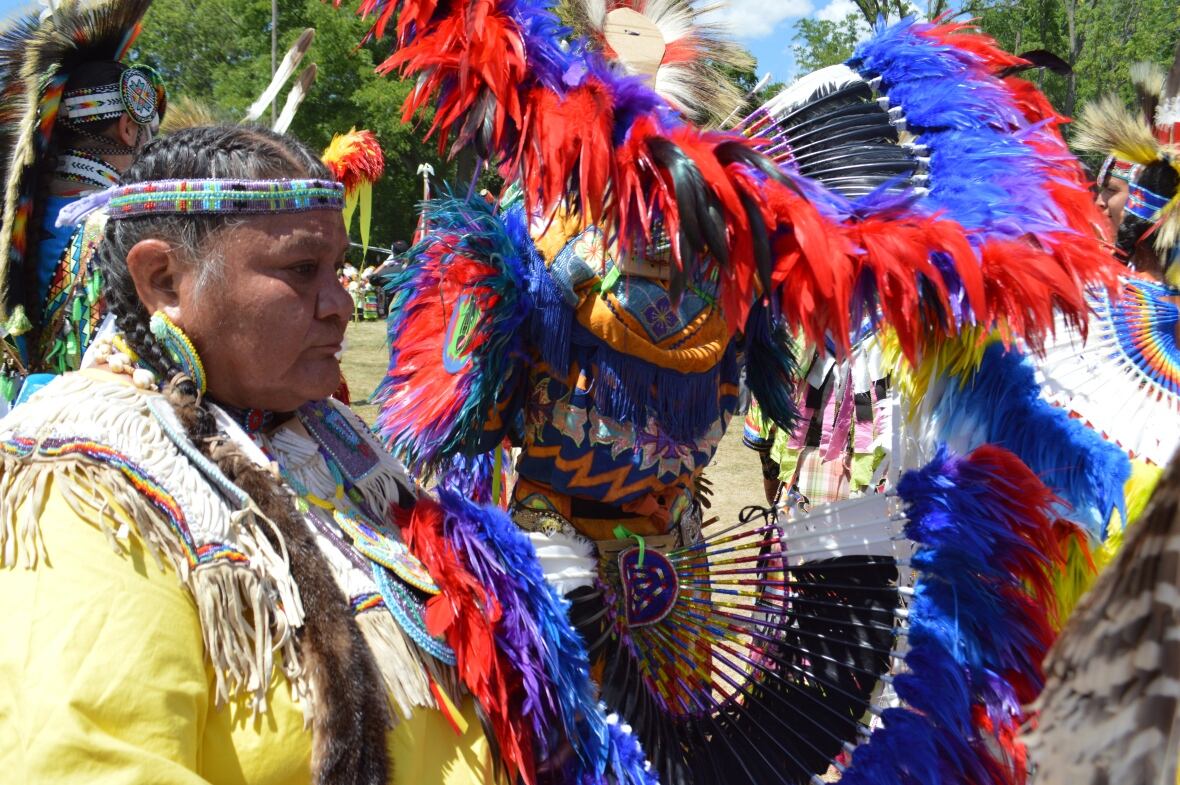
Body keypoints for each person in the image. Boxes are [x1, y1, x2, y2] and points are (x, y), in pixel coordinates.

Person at [363, 0, 1119, 778]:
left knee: (679, 750)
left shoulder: (742, 249)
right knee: (584, 753)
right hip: (551, 553)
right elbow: (447, 452)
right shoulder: (519, 245)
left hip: (678, 564)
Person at [0, 125, 648, 785]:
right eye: (302, 270)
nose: (340, 304)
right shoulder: (86, 487)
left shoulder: (323, 433)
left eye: (338, 268)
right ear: (163, 279)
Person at [0, 0, 166, 398]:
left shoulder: (18, 228)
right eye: (150, 132)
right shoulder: (127, 227)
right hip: (101, 429)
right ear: (129, 128)